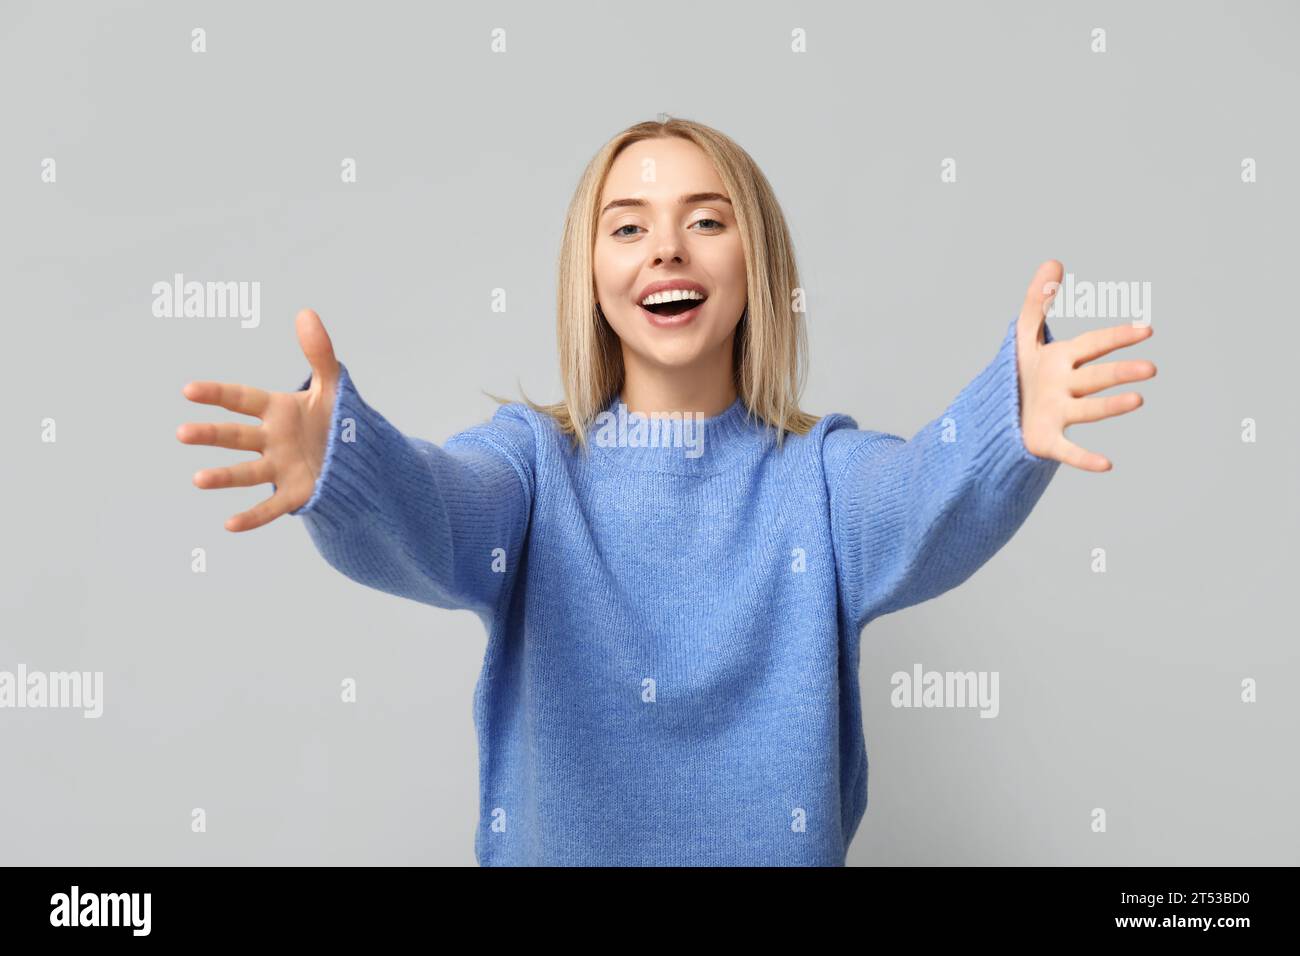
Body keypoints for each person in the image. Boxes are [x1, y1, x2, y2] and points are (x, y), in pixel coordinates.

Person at [177, 117, 1157, 865]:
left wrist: (1003, 422)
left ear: (754, 262)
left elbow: (923, 498)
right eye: (628, 224)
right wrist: (346, 462)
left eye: (705, 219)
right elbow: (438, 511)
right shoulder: (531, 468)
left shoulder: (819, 478)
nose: (666, 248)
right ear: (590, 272)